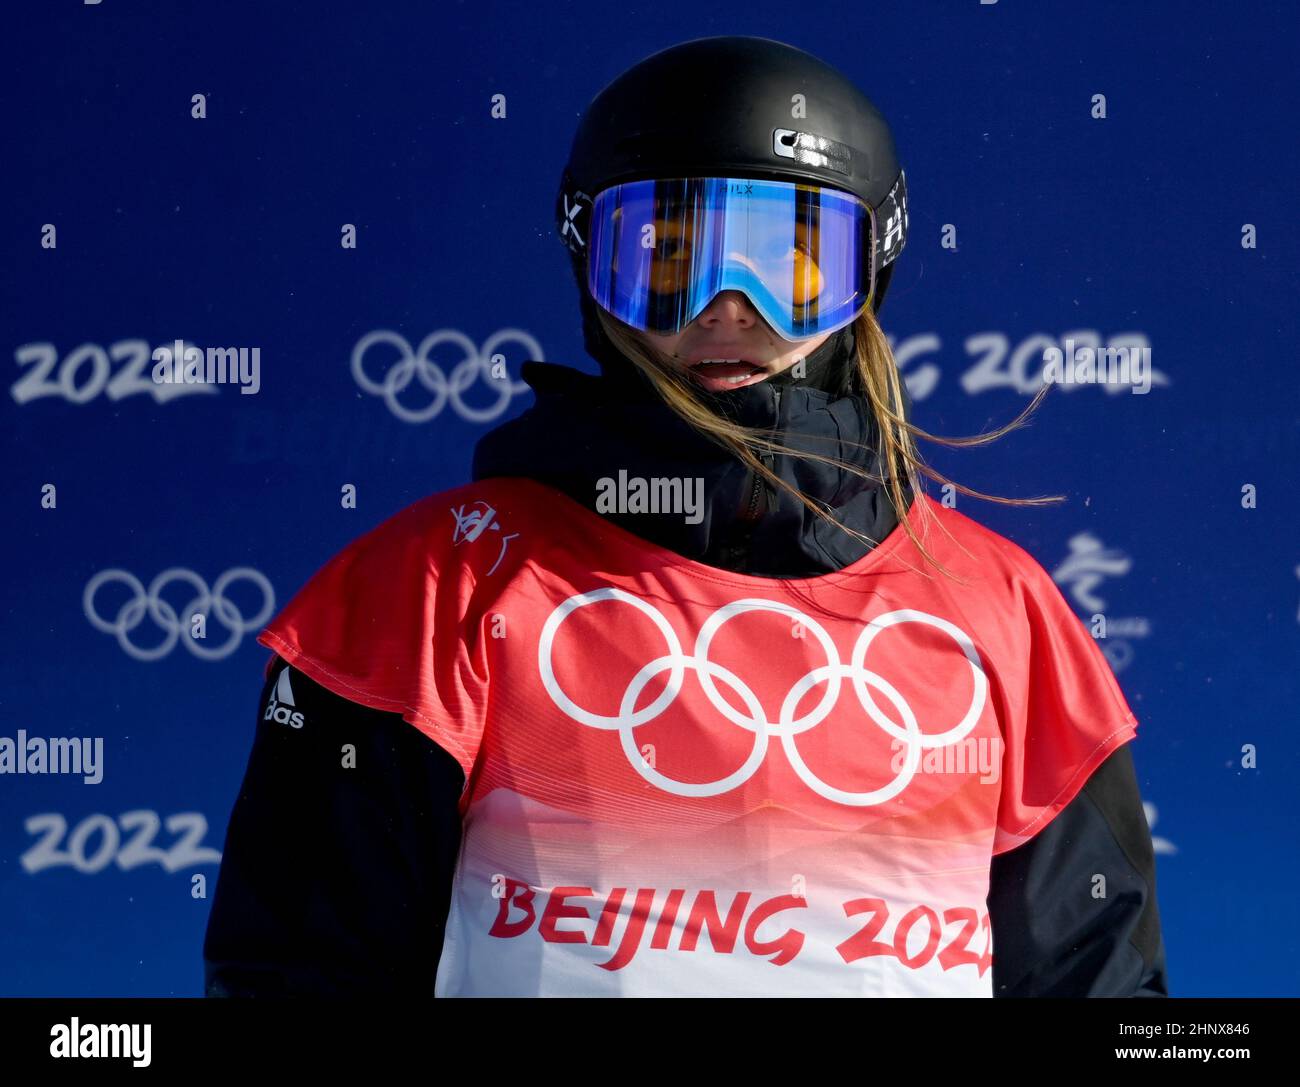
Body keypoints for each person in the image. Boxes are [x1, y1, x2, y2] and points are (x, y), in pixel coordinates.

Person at [203, 35, 1167, 997]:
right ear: (592, 265)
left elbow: (1101, 986)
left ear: (867, 273)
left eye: (792, 262)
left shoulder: (1000, 610)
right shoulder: (439, 586)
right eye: (666, 257)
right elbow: (299, 975)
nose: (726, 308)